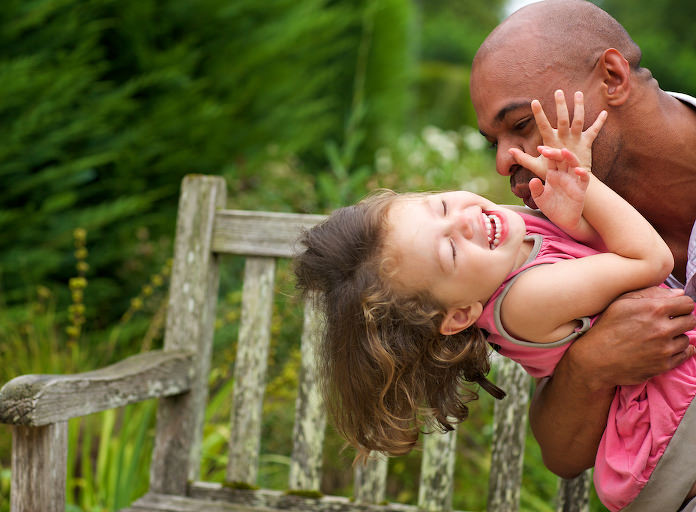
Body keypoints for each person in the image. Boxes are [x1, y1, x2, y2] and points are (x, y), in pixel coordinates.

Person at [295, 90, 696, 511]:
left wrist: (572, 212)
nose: (464, 221)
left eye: (441, 206)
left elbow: (601, 254)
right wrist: (586, 181)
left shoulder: (504, 241)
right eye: (449, 251)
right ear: (460, 315)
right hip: (674, 440)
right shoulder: (525, 299)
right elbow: (649, 260)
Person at [469, 1, 696, 509]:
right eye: (493, 142)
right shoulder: (552, 244)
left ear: (612, 77)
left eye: (522, 123)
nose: (505, 158)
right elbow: (562, 453)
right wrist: (591, 364)